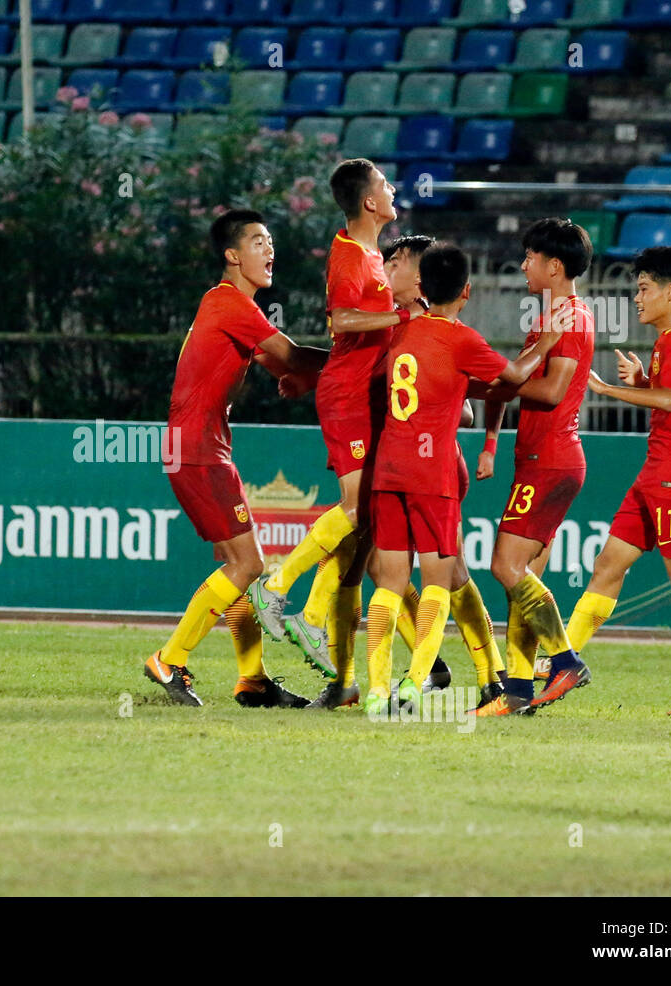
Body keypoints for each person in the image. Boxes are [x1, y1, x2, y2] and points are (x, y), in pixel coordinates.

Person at [248, 159, 424, 709]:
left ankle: (318, 624)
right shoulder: (349, 253)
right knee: (355, 508)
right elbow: (343, 321)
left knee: (365, 518)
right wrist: (400, 319)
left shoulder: (373, 253)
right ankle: (276, 587)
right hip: (348, 398)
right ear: (369, 201)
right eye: (385, 185)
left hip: (361, 395)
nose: (394, 189)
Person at [362, 244, 559, 717]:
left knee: (389, 583)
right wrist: (545, 347)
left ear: (423, 288)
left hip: (389, 467)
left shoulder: (401, 332)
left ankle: (374, 689)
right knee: (437, 581)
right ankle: (412, 685)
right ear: (466, 292)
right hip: (433, 473)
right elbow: (511, 376)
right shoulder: (463, 339)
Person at [143, 209, 328, 707]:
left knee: (234, 566)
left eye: (271, 242)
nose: (269, 251)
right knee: (249, 564)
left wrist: (301, 374)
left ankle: (252, 679)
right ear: (232, 255)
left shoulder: (231, 308)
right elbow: (287, 355)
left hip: (199, 447)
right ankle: (170, 658)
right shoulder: (229, 302)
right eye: (258, 242)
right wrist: (349, 361)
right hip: (199, 449)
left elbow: (278, 364)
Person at [576, 246, 671, 716]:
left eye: (644, 289)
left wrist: (606, 389)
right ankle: (561, 661)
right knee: (607, 565)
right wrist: (642, 380)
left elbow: (667, 402)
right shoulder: (670, 340)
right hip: (655, 474)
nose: (636, 297)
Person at [475, 218, 595, 716]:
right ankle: (519, 691)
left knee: (504, 566)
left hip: (550, 460)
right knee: (522, 581)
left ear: (555, 266)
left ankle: (565, 660)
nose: (523, 265)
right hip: (539, 460)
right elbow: (517, 378)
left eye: (530, 257)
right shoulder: (547, 318)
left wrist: (491, 381)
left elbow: (547, 391)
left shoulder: (570, 319)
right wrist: (491, 439)